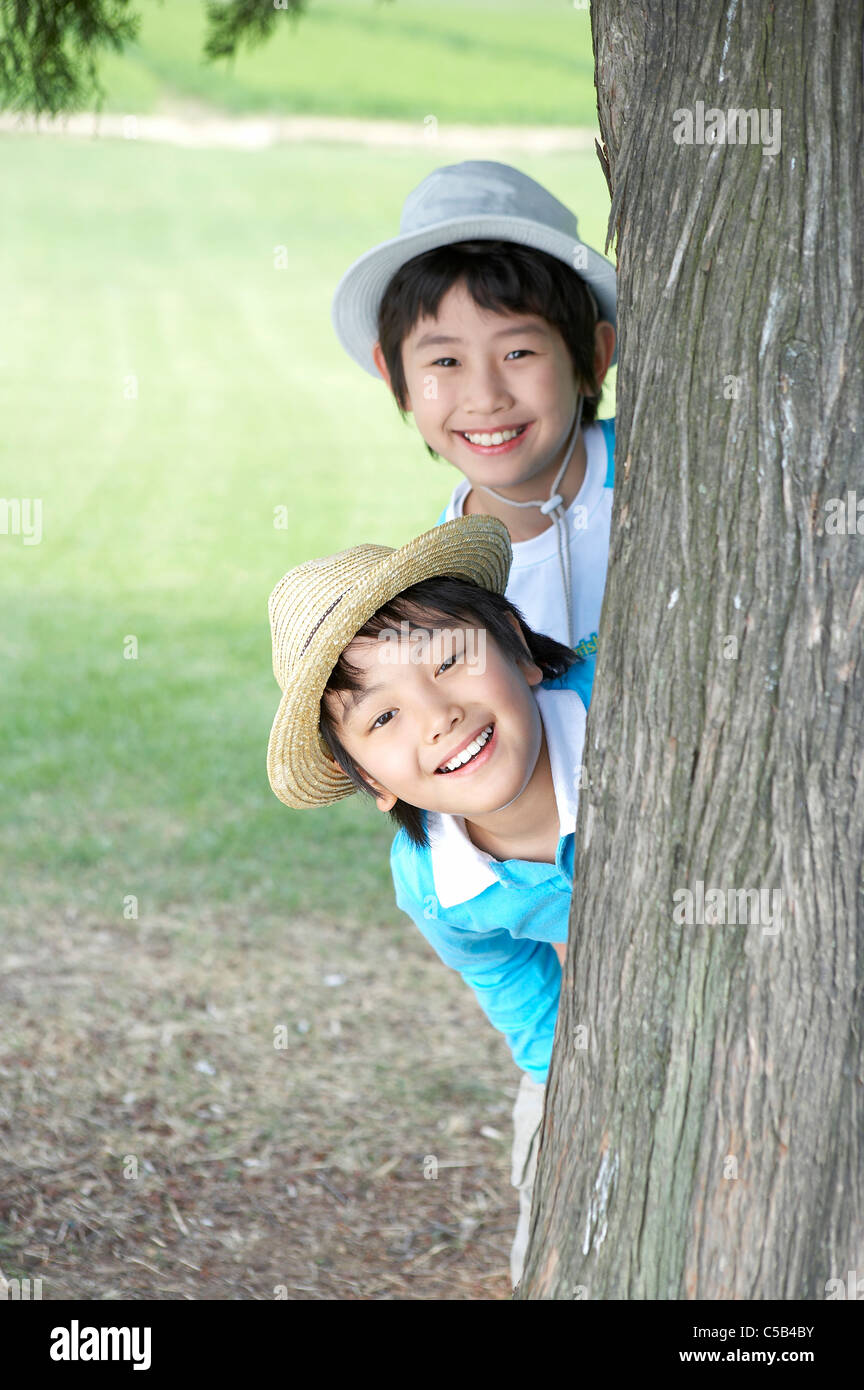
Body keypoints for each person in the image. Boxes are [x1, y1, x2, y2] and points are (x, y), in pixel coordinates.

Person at [266, 515, 591, 1289]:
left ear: (517, 645)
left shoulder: (628, 715)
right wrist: (574, 1074)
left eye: (450, 659)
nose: (437, 714)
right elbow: (511, 983)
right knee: (548, 1167)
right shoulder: (434, 882)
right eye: (383, 716)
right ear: (372, 781)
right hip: (600, 1019)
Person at [330, 159, 617, 674]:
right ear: (399, 380)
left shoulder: (664, 468)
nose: (485, 398)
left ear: (591, 358)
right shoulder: (444, 594)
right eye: (445, 362)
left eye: (519, 353)